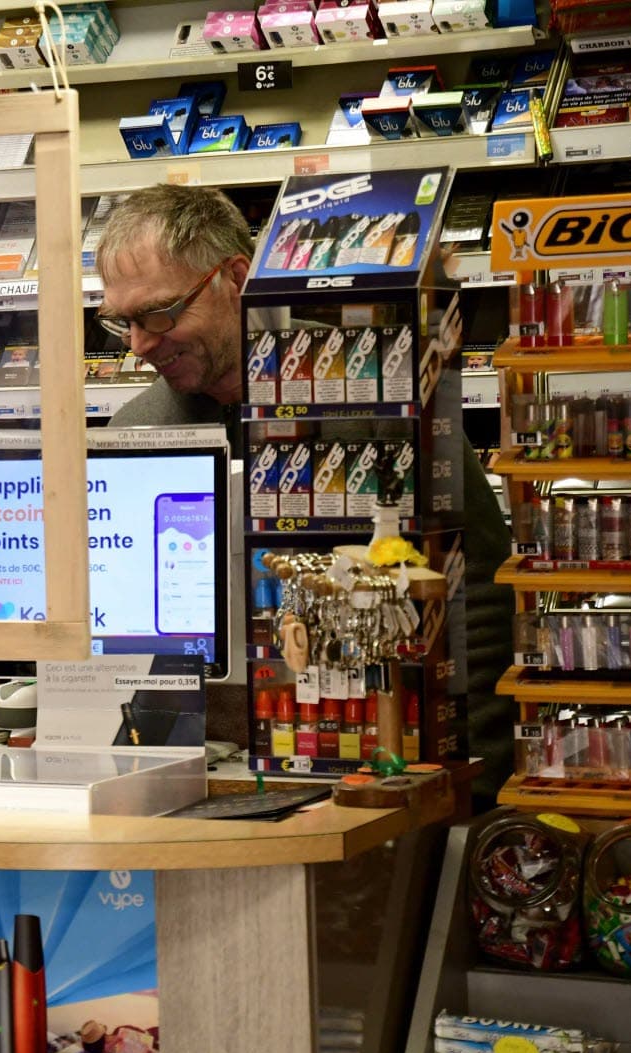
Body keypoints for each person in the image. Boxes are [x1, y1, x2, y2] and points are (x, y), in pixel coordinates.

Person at [96, 184, 515, 807]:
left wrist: (467, 784)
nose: (140, 344)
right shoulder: (137, 432)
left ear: (235, 278)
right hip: (203, 783)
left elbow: (475, 593)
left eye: (160, 313)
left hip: (376, 773)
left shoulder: (376, 397)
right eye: (122, 322)